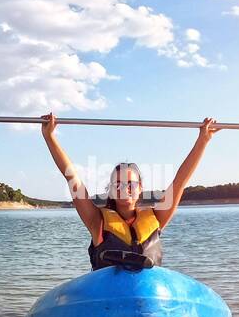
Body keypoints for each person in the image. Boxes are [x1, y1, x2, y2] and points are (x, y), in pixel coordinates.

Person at [41, 113, 217, 270]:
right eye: (118, 184)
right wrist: (50, 137)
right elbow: (72, 177)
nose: (125, 188)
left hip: (146, 295)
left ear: (140, 188)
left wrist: (203, 141)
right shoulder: (97, 221)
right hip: (109, 296)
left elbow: (180, 181)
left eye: (130, 184)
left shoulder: (157, 217)